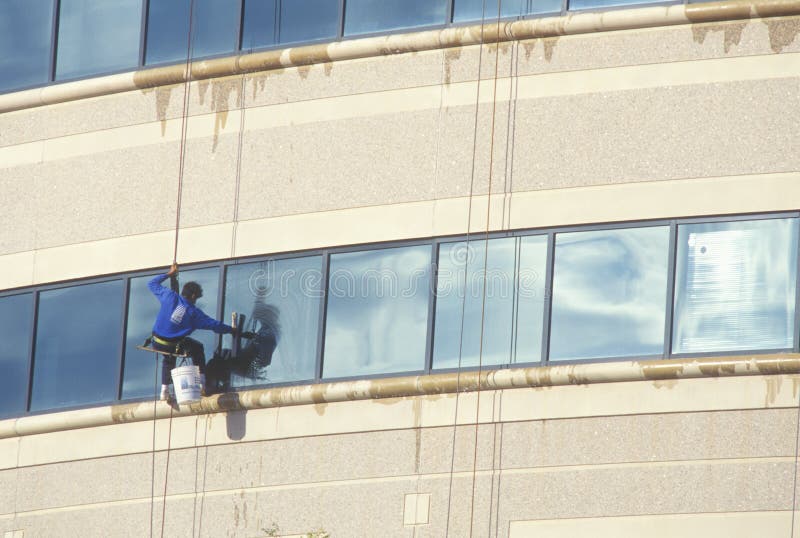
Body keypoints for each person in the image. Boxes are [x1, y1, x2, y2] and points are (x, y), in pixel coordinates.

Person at [148, 263, 234, 400]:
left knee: (168, 357)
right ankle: (202, 384)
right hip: (173, 345)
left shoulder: (169, 296)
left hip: (157, 342)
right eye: (196, 298)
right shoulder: (194, 313)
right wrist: (231, 330)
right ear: (193, 296)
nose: (196, 302)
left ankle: (164, 390)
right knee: (197, 348)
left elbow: (152, 283)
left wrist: (169, 274)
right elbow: (214, 325)